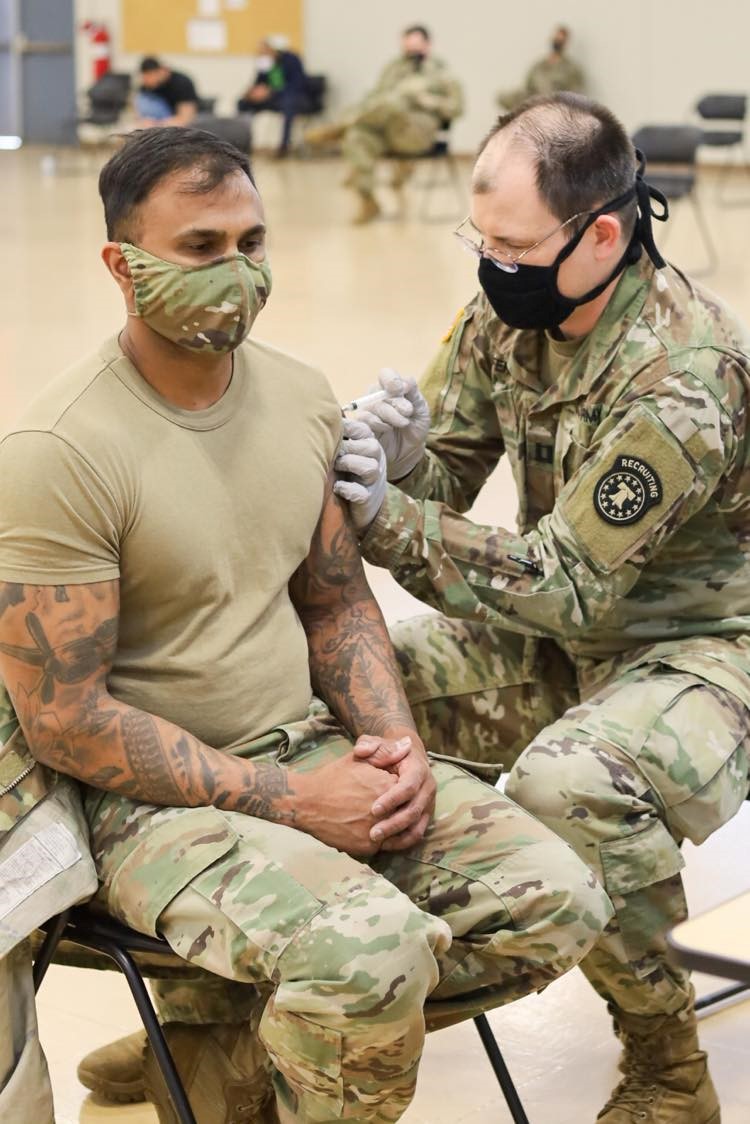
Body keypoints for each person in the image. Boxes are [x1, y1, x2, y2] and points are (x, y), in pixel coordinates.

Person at [0, 125, 611, 1124]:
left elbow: (334, 600)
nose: (239, 274)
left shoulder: (298, 397)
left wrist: (394, 738)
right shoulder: (58, 451)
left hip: (310, 746)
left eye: (253, 243)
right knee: (370, 955)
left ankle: (226, 1046)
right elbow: (64, 716)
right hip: (147, 808)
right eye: (203, 247)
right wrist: (290, 798)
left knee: (559, 900)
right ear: (122, 264)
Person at [334, 92, 750, 1124]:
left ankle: (668, 1068)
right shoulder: (505, 317)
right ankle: (293, 1006)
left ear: (603, 232)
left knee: (575, 782)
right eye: (481, 238)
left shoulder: (679, 377)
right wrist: (393, 457)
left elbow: (564, 577)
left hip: (699, 653)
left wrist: (385, 518)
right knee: (335, 688)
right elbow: (446, 492)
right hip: (561, 638)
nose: (492, 263)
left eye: (513, 244)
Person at [306, 25, 463, 224]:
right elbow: (373, 97)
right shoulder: (393, 69)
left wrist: (429, 100)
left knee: (396, 101)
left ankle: (339, 127)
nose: (411, 54)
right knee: (357, 136)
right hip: (385, 130)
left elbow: (457, 108)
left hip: (415, 134)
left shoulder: (443, 74)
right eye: (407, 49)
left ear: (428, 45)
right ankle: (369, 202)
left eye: (416, 48)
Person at [237, 35, 308, 157]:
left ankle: (284, 146)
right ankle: (242, 143)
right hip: (270, 98)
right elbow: (259, 82)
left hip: (289, 96)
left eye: (265, 50)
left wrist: (271, 92)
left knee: (288, 106)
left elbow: (297, 84)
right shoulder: (264, 63)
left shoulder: (291, 60)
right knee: (242, 103)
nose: (262, 53)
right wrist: (252, 92)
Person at [498, 25, 585, 111]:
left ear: (566, 43)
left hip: (556, 110)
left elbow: (575, 96)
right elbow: (527, 88)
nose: (558, 41)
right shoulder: (538, 66)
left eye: (561, 40)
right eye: (556, 38)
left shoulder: (572, 69)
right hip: (534, 108)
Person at [136, 56, 198, 126]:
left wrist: (157, 123)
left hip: (178, 129)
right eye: (144, 78)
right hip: (157, 127)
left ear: (161, 71)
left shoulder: (182, 83)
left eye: (150, 76)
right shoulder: (147, 86)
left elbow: (186, 119)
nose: (147, 82)